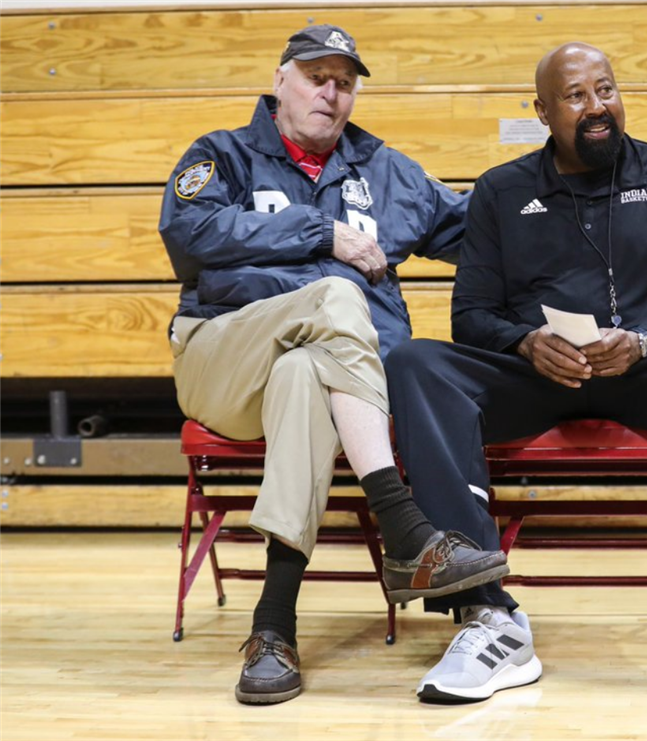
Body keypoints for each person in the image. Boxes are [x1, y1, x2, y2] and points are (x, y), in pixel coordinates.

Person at [385, 42, 647, 703]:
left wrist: (644, 339)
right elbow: (472, 316)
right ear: (544, 111)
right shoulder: (501, 189)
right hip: (537, 376)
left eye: (605, 90)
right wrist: (525, 342)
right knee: (416, 362)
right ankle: (487, 614)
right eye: (576, 96)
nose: (596, 107)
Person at [158, 25, 508, 705]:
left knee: (306, 373)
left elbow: (479, 235)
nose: (331, 92)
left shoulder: (385, 170)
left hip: (325, 385)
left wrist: (546, 200)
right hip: (222, 357)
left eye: (344, 82)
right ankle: (404, 526)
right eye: (317, 76)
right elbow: (190, 232)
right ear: (280, 79)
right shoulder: (222, 156)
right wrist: (321, 234)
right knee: (336, 295)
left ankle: (273, 625)